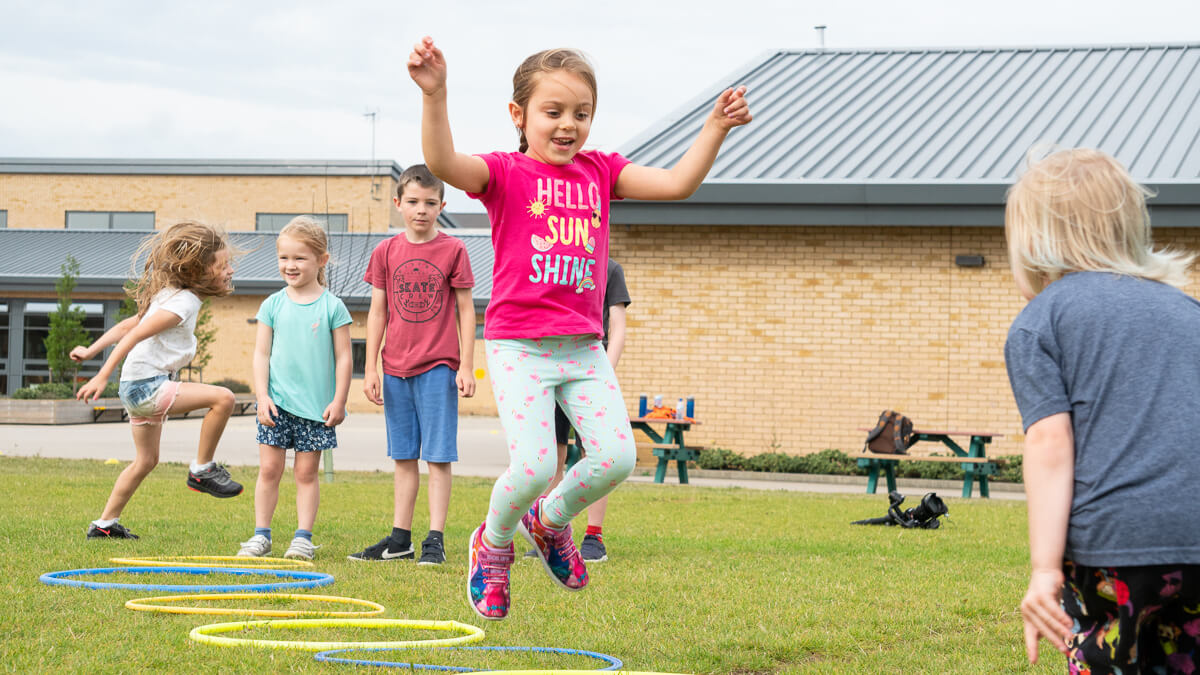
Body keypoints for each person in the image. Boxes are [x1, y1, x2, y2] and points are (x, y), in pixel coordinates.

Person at [408, 36, 752, 620]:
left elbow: (677, 185)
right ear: (519, 115)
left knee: (617, 458)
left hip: (583, 350)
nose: (568, 125)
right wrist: (436, 94)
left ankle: (548, 521)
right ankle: (492, 547)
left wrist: (716, 127)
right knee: (538, 466)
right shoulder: (505, 173)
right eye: (554, 112)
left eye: (581, 114)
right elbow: (443, 164)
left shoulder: (601, 172)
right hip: (519, 347)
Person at [1004, 147, 1200, 671]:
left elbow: (1049, 441)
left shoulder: (1040, 322)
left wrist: (1045, 569)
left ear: (1032, 240)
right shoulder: (1190, 312)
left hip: (1114, 547)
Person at [72, 221, 244, 539]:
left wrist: (90, 349)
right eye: (224, 265)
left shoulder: (169, 295)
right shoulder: (183, 303)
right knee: (223, 398)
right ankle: (202, 469)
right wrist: (101, 374)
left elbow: (130, 324)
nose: (231, 271)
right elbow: (136, 333)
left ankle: (104, 526)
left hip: (137, 388)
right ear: (200, 270)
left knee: (146, 460)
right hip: (147, 386)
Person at [348, 164, 476, 566]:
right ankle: (399, 538)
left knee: (437, 457)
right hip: (394, 369)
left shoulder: (454, 250)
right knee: (403, 457)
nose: (422, 209)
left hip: (438, 367)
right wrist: (370, 367)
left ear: (441, 205)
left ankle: (434, 540)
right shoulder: (386, 251)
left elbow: (466, 311)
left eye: (430, 202)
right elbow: (377, 313)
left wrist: (467, 366)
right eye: (414, 202)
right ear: (398, 203)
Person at [236, 217, 352, 561]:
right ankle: (261, 536)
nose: (291, 265)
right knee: (269, 470)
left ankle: (302, 539)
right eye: (284, 258)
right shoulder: (272, 305)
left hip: (316, 409)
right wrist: (262, 396)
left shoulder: (333, 306)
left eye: (300, 258)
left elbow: (345, 358)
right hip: (275, 406)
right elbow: (261, 354)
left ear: (321, 260)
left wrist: (339, 400)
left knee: (306, 473)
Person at [540, 258, 629, 563]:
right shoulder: (556, 265)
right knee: (555, 455)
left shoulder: (610, 269)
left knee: (596, 455)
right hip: (554, 369)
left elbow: (617, 328)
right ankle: (549, 530)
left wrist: (606, 375)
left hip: (590, 373)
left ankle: (593, 535)